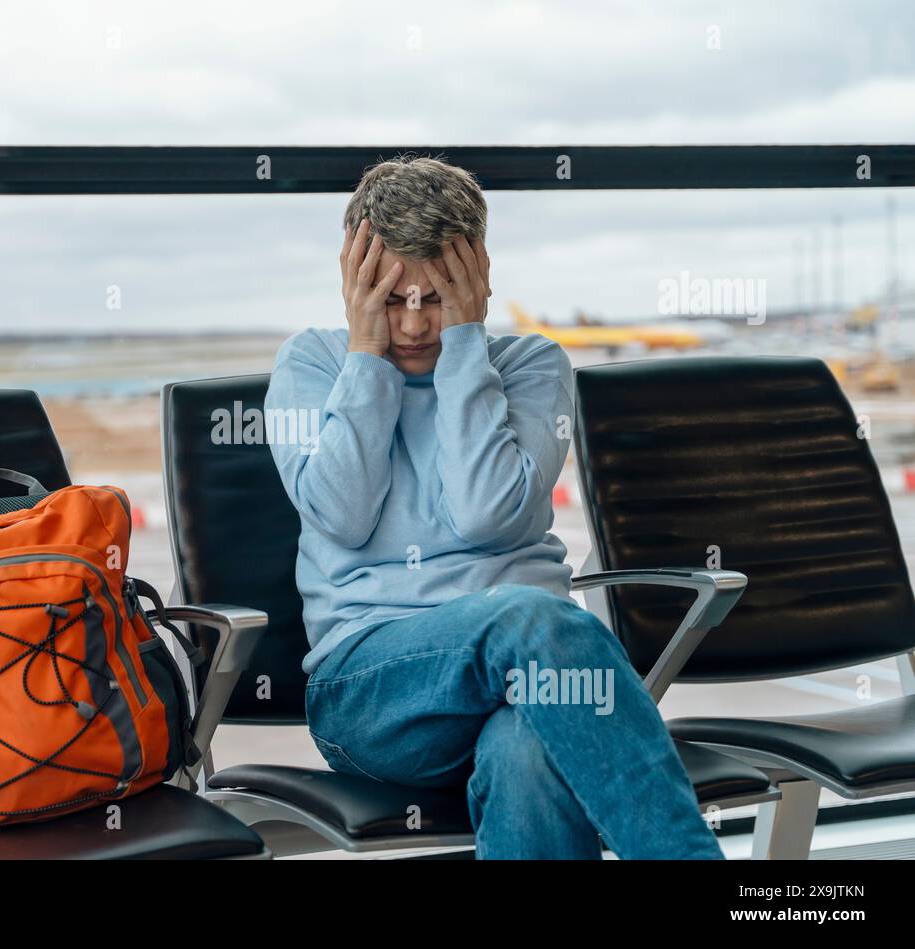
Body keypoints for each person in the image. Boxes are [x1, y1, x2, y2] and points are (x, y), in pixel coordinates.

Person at [263, 155, 723, 859]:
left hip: (531, 684)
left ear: (477, 278)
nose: (415, 325)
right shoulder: (313, 366)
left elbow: (486, 514)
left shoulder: (532, 366)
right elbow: (342, 514)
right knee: (535, 617)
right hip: (374, 691)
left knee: (527, 755)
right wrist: (367, 360)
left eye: (437, 297)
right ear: (352, 283)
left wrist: (466, 351)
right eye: (391, 299)